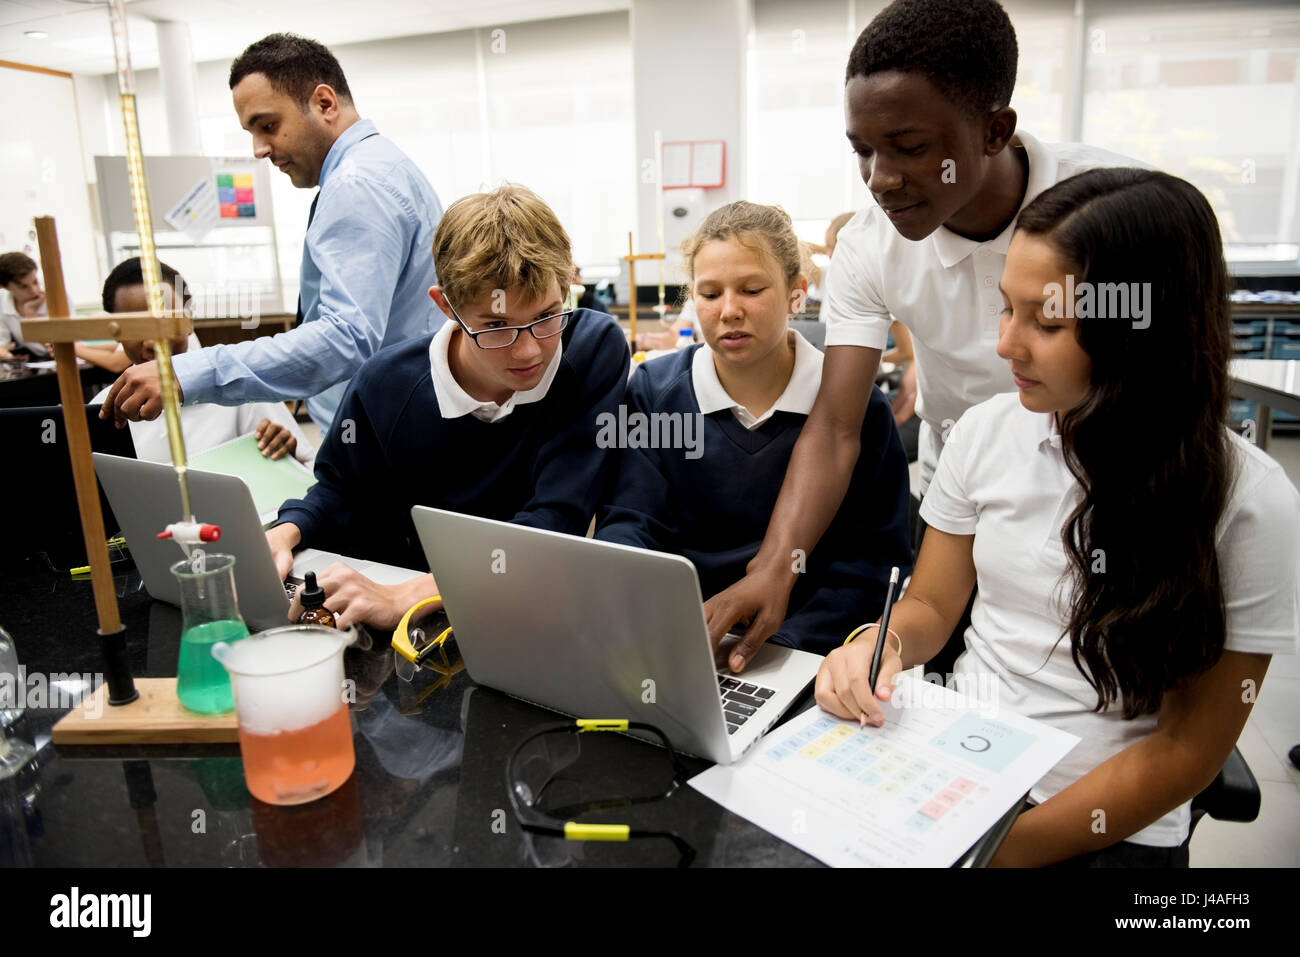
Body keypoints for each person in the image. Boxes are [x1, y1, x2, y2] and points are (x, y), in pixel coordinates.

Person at [817, 168, 1300, 866]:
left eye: (1047, 322)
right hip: (962, 771)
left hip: (1107, 822)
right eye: (1005, 309)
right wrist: (880, 644)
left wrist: (998, 852)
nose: (1006, 345)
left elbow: (1188, 748)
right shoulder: (984, 431)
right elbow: (929, 603)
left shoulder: (1249, 500)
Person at [706, 0, 1137, 672]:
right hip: (962, 488)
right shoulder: (870, 245)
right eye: (862, 151)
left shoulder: (1118, 208)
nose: (880, 179)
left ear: (995, 131)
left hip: (1107, 478)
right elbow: (835, 427)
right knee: (956, 664)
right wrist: (775, 567)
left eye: (909, 149)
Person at [267, 185, 630, 630]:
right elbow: (341, 491)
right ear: (447, 306)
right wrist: (286, 532)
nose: (529, 351)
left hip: (506, 601)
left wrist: (411, 596)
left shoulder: (591, 348)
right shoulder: (385, 383)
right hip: (402, 601)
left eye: (546, 316)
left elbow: (555, 519)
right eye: (497, 326)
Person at [596, 202, 911, 656]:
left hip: (801, 653)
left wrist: (783, 646)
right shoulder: (654, 391)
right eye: (709, 294)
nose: (729, 310)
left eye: (750, 289)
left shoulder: (858, 407)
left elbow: (872, 567)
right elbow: (631, 522)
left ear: (796, 294)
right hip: (682, 640)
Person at [101, 33, 443, 433]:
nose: (259, 149)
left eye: (267, 125)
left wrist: (187, 373)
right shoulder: (382, 164)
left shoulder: (356, 184)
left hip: (389, 434)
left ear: (324, 103)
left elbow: (344, 338)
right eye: (251, 132)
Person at [91, 258, 312, 465]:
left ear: (189, 320)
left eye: (167, 322)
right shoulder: (103, 408)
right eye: (135, 327)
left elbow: (309, 475)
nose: (151, 342)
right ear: (115, 332)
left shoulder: (241, 389)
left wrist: (288, 458)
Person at [0, 252, 49, 360]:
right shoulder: (3, 300)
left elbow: (58, 350)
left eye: (35, 282)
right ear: (4, 287)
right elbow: (2, 345)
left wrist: (31, 314)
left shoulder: (56, 299)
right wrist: (9, 356)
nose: (34, 291)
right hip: (37, 362)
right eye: (23, 287)